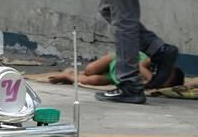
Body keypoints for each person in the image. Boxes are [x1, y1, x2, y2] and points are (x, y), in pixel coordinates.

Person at [48, 51, 183, 89]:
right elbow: (141, 65)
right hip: (116, 60)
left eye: (166, 82)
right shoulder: (151, 63)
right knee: (90, 69)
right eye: (164, 77)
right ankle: (77, 72)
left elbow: (149, 84)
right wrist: (148, 75)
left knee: (93, 80)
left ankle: (69, 76)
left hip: (116, 77)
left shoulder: (153, 84)